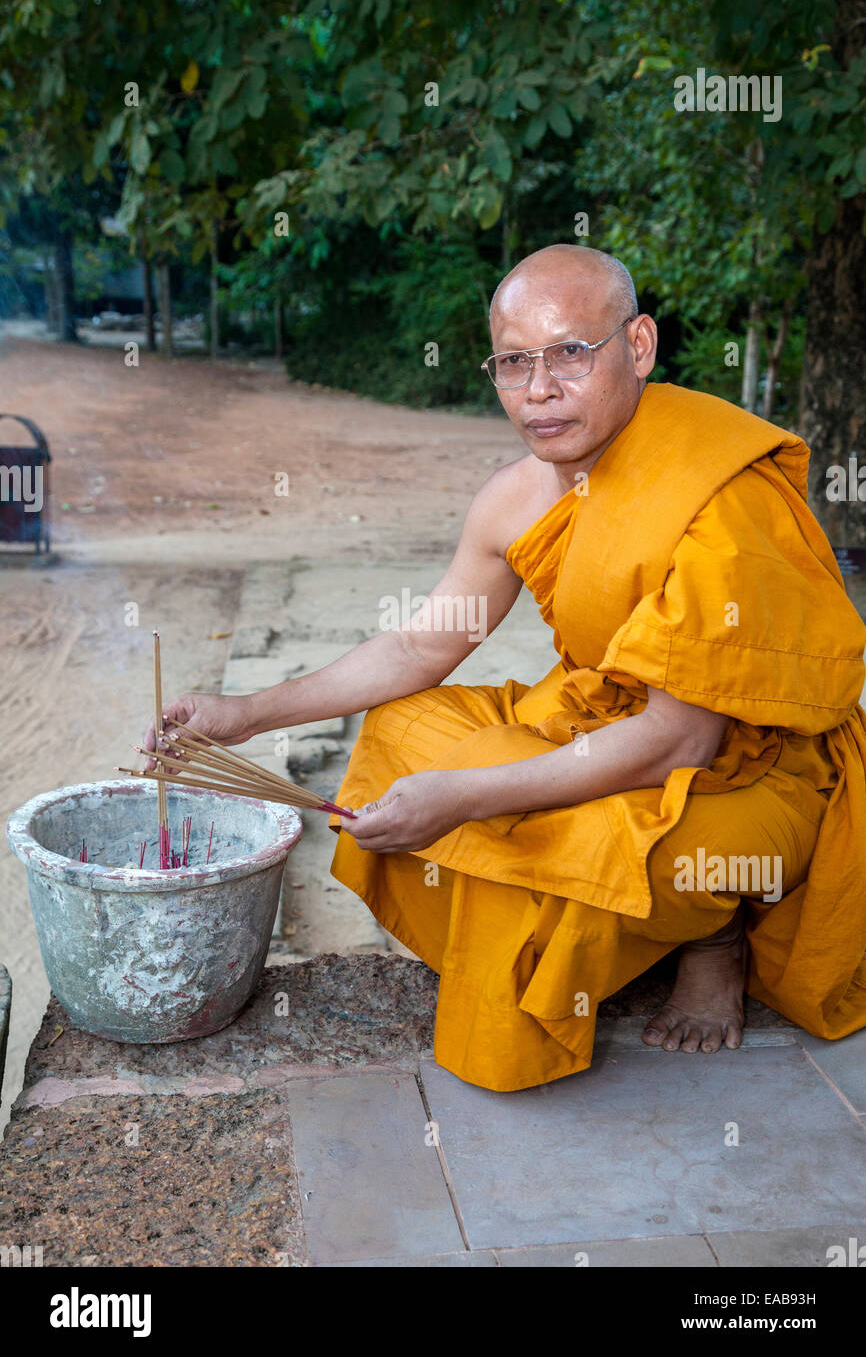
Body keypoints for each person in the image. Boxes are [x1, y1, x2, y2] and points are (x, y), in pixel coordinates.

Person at [148, 244, 866, 1093]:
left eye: (571, 352)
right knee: (407, 731)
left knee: (514, 815)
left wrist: (463, 798)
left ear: (638, 347)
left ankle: (714, 938)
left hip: (744, 773)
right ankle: (582, 929)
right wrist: (247, 713)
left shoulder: (711, 489)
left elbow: (679, 741)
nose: (539, 389)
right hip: (602, 721)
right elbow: (422, 647)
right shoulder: (517, 497)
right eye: (514, 362)